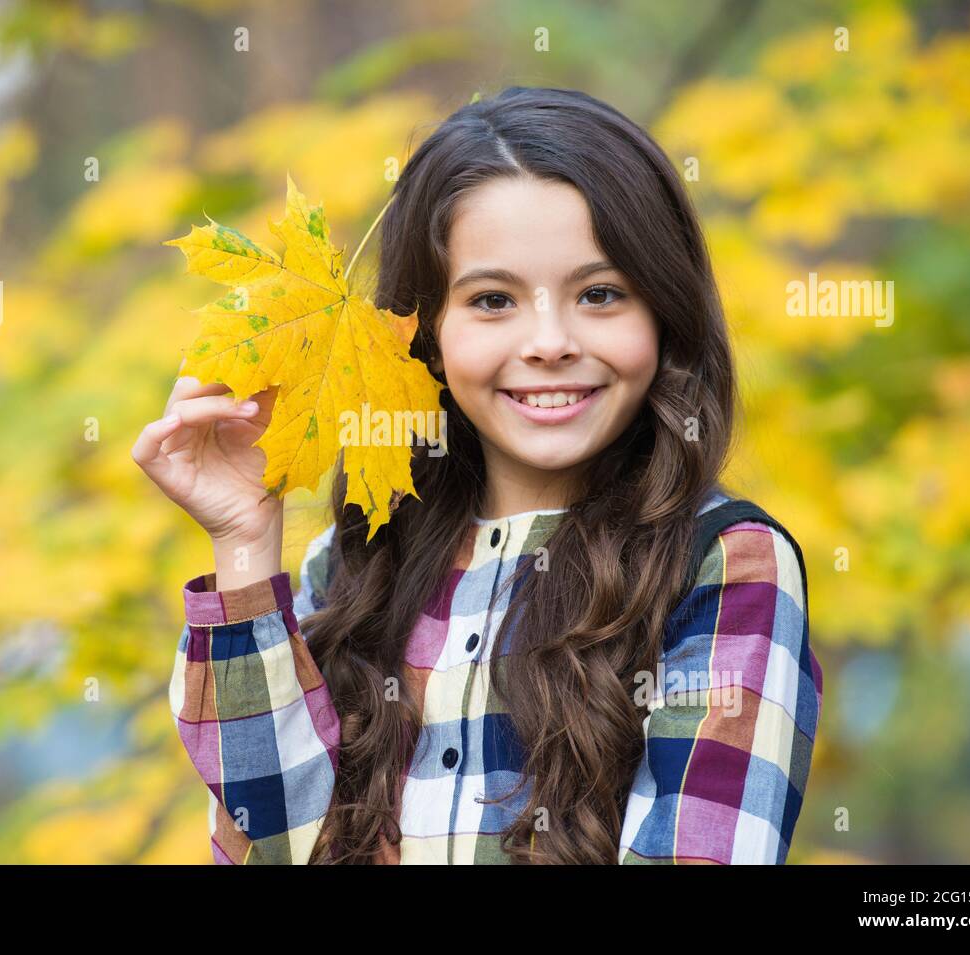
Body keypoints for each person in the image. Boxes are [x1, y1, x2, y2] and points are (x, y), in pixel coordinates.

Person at [133, 86, 823, 864]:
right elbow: (272, 846)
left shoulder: (721, 564)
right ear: (425, 332)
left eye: (599, 294)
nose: (550, 340)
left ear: (664, 314)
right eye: (492, 300)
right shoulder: (353, 568)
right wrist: (244, 543)